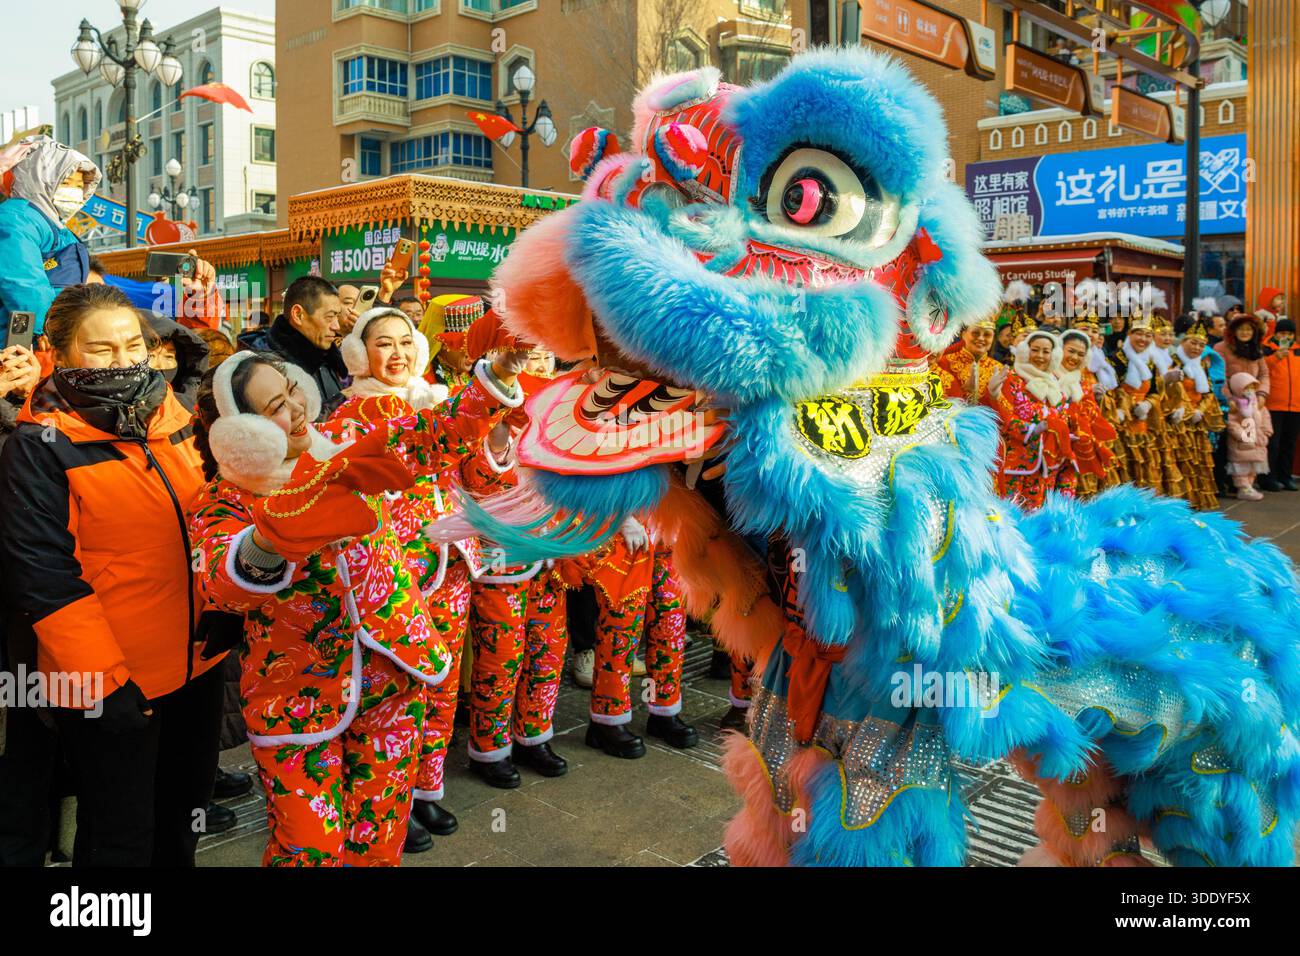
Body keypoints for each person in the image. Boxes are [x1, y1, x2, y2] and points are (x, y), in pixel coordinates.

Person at [188, 346, 524, 866]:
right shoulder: (223, 501)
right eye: (274, 405)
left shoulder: (343, 449)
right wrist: (274, 534)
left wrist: (498, 373)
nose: (296, 409)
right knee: (310, 852)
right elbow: (223, 587)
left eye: (292, 390)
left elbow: (434, 435)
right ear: (239, 431)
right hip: (296, 699)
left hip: (395, 677)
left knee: (380, 842)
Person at [0, 283, 225, 867]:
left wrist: (228, 607)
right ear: (60, 352)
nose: (124, 360)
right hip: (109, 683)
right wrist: (104, 684)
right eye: (102, 349)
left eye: (134, 345)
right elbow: (45, 577)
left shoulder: (176, 416)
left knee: (182, 819)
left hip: (196, 664)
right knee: (118, 838)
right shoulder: (38, 444)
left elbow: (213, 521)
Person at [326, 306, 523, 849]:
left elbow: (479, 477)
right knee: (396, 693)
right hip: (392, 578)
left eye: (405, 342)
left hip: (452, 564)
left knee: (441, 683)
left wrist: (498, 439)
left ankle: (426, 789)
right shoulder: (343, 420)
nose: (397, 355)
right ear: (357, 355)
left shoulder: (441, 401)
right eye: (382, 344)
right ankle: (388, 800)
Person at [0, 138, 99, 346]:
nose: (75, 190)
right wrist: (41, 328)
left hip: (53, 333)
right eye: (66, 182)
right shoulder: (16, 218)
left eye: (80, 185)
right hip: (26, 339)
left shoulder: (52, 223)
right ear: (41, 178)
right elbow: (23, 282)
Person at [237, 276, 349, 419]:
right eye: (329, 317)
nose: (336, 326)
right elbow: (288, 425)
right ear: (298, 315)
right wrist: (341, 400)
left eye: (337, 317)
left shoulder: (329, 355)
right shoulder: (266, 365)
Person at [991, 327, 1073, 508]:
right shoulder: (1013, 379)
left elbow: (1062, 417)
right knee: (1012, 515)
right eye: (1035, 350)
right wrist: (1031, 430)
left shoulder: (1056, 384)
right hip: (1016, 464)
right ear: (1025, 352)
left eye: (1046, 351)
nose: (1040, 356)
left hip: (1047, 466)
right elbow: (1004, 416)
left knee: (1038, 517)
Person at [1214, 311, 1275, 489]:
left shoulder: (1256, 350)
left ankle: (1245, 480)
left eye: (1249, 329)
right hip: (1230, 403)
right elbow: (1220, 377)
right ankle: (1224, 481)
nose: (1245, 332)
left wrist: (1262, 394)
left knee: (1249, 441)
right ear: (1233, 331)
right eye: (1241, 329)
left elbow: (1264, 374)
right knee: (1227, 442)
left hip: (1253, 402)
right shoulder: (1222, 348)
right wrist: (1229, 399)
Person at [1168, 317, 1223, 510]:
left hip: (1197, 422)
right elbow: (1174, 392)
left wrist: (1200, 410)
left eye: (1201, 345)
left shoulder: (1202, 366)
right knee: (1180, 462)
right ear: (1183, 342)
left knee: (1197, 463)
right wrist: (1190, 412)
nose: (1197, 348)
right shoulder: (1173, 362)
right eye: (1193, 343)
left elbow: (1208, 394)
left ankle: (1195, 503)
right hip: (1179, 423)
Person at [1057, 327, 1119, 496]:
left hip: (1075, 449)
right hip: (1049, 447)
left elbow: (1092, 412)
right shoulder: (1047, 376)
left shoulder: (1082, 380)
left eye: (1081, 354)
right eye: (1070, 351)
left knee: (1067, 495)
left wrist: (1096, 400)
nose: (1074, 357)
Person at [1224, 372, 1273, 500]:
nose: (1250, 391)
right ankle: (1243, 487)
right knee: (1241, 466)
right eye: (1246, 388)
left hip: (1257, 441)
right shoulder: (1236, 405)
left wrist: (1266, 432)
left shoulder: (1256, 404)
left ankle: (1249, 486)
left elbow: (1265, 417)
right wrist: (1242, 435)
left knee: (1253, 466)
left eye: (1252, 388)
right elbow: (1231, 422)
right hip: (1241, 443)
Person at [1264, 318, 1300, 490]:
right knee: (1273, 443)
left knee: (1289, 442)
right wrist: (1274, 358)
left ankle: (1285, 477)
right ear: (1276, 333)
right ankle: (1269, 478)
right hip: (1273, 404)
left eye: (1289, 334)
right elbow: (1260, 370)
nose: (1286, 336)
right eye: (1282, 333)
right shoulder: (1266, 348)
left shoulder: (1298, 350)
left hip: (1295, 404)